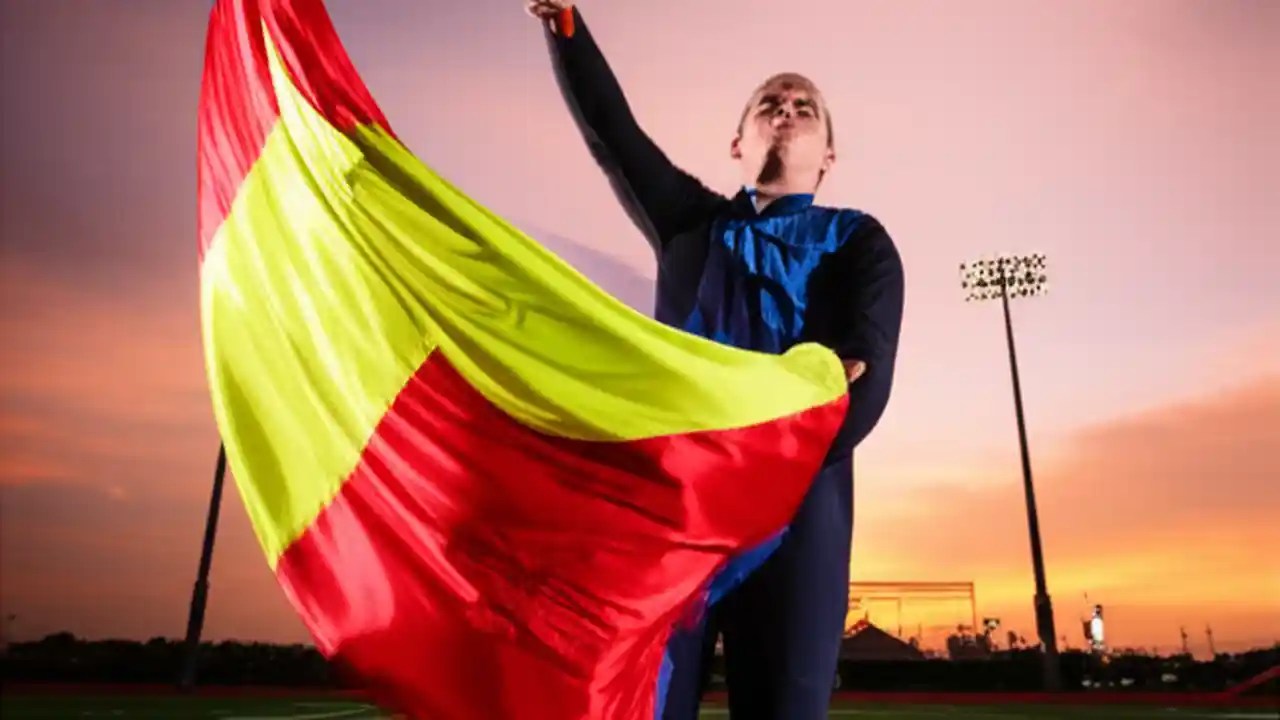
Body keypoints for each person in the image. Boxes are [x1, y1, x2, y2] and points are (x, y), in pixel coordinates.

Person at [524, 3, 905, 718]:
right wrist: (566, 25)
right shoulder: (690, 224)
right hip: (678, 514)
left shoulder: (859, 242)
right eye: (770, 103)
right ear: (737, 143)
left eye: (806, 107)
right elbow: (614, 134)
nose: (786, 109)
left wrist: (771, 458)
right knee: (647, 702)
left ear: (828, 156)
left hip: (798, 518)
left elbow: (868, 379)